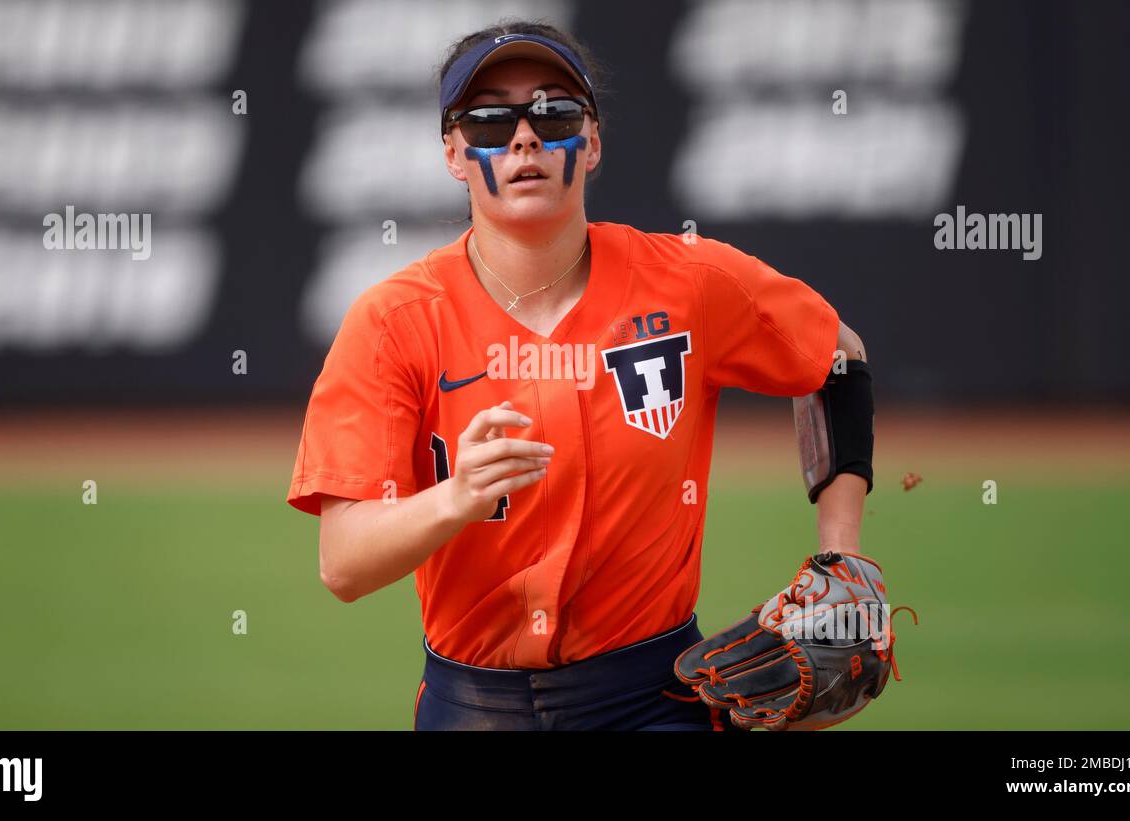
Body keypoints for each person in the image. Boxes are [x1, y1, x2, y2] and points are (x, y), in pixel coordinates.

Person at [286, 20, 873, 731]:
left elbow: (834, 354)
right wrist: (455, 498)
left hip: (654, 697)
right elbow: (343, 564)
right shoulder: (392, 322)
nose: (525, 137)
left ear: (591, 142)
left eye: (555, 112)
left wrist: (841, 557)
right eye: (490, 119)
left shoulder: (689, 285)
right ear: (453, 152)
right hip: (472, 706)